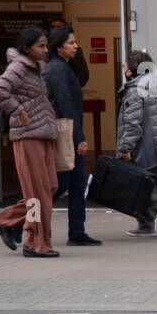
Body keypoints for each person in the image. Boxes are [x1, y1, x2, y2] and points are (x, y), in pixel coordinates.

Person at [0, 28, 61, 257]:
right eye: (40, 45)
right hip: (28, 135)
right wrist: (18, 111)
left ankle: (9, 221)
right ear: (27, 47)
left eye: (45, 45)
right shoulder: (18, 66)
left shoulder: (37, 69)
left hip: (43, 134)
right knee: (37, 194)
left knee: (49, 187)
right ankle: (35, 243)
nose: (45, 49)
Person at [45, 26, 100, 246]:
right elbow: (67, 106)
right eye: (71, 43)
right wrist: (80, 137)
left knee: (77, 183)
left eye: (76, 42)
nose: (76, 46)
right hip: (64, 132)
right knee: (60, 184)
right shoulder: (57, 69)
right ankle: (15, 221)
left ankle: (77, 232)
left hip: (69, 130)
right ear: (59, 47)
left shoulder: (65, 66)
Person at [117, 50, 157, 238]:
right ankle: (146, 224)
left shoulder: (136, 88)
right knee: (146, 181)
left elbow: (133, 122)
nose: (123, 68)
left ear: (132, 69)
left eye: (125, 65)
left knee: (138, 183)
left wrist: (125, 146)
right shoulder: (155, 83)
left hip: (143, 145)